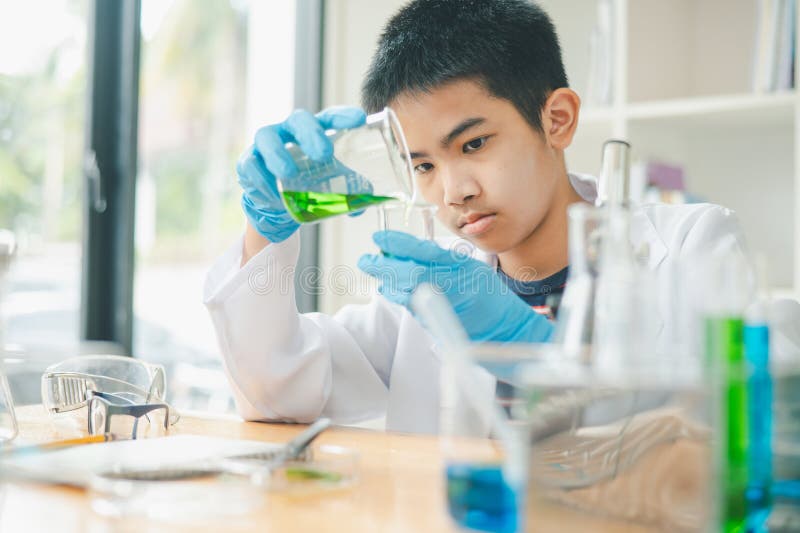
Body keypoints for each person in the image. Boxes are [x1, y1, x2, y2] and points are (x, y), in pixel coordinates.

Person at [204, 0, 746, 433]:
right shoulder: (433, 293)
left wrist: (532, 347)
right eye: (422, 165)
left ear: (557, 120)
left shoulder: (691, 246)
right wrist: (264, 229)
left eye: (474, 144)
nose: (454, 191)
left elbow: (730, 432)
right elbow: (276, 394)